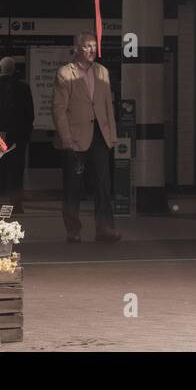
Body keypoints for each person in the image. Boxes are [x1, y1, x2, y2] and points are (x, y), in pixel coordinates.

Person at [51, 32, 121, 243]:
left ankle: (105, 228)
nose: (92, 50)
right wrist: (66, 138)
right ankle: (73, 230)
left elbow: (108, 105)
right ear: (77, 49)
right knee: (73, 187)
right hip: (74, 137)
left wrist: (112, 136)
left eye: (94, 46)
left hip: (100, 135)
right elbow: (58, 109)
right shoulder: (65, 73)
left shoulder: (103, 72)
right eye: (87, 46)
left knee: (103, 184)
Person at [0, 55, 34, 214]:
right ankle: (15, 205)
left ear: (0, 69)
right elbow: (29, 113)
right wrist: (25, 132)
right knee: (16, 172)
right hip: (18, 136)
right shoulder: (23, 87)